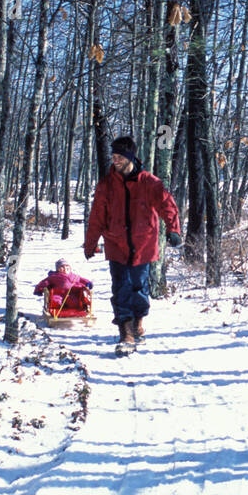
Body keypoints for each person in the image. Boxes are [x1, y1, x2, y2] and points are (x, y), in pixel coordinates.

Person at [83, 135, 182, 345]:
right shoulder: (106, 185)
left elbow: (168, 205)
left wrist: (174, 230)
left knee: (139, 287)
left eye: (119, 156)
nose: (115, 160)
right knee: (121, 287)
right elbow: (96, 217)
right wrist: (90, 243)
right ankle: (125, 330)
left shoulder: (149, 183)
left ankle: (138, 322)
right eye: (113, 156)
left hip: (144, 246)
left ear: (130, 157)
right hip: (116, 245)